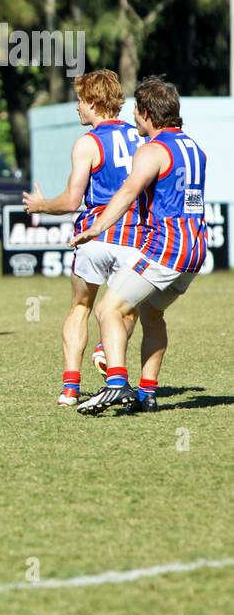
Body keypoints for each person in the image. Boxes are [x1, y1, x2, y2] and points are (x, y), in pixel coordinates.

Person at [71, 77, 207, 415]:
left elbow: (129, 191)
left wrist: (97, 227)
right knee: (152, 313)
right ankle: (147, 394)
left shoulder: (152, 150)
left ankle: (116, 385)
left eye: (135, 110)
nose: (133, 116)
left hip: (168, 247)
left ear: (146, 113)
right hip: (197, 248)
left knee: (107, 310)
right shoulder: (194, 147)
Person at [23, 70, 146, 406]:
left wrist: (41, 205)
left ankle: (70, 388)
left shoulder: (88, 143)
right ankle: (106, 351)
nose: (77, 108)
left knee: (80, 307)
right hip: (135, 238)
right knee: (127, 309)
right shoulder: (142, 137)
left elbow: (71, 201)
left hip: (93, 237)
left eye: (80, 101)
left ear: (93, 103)